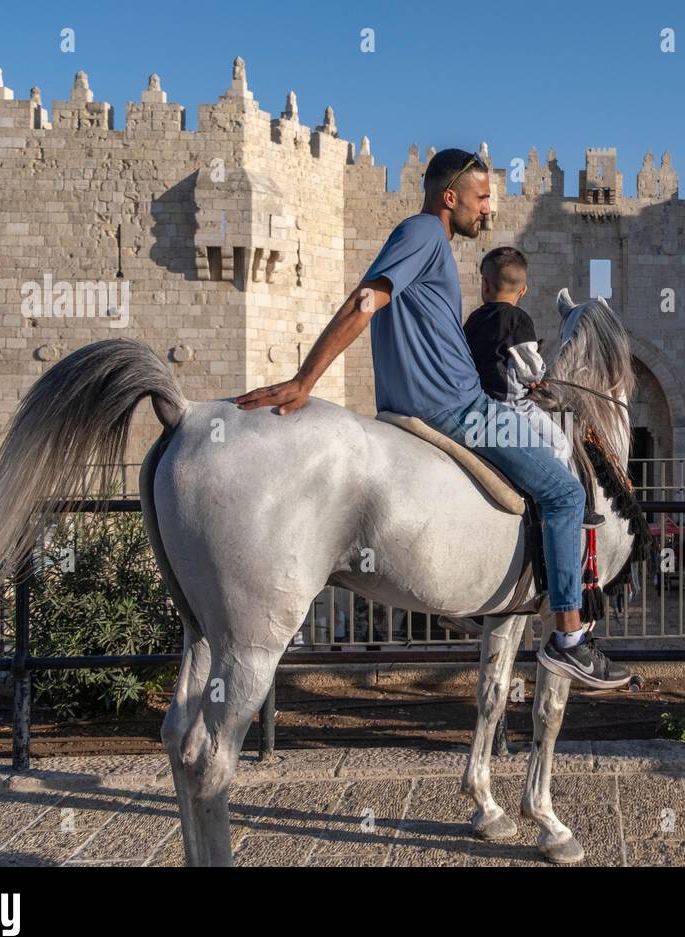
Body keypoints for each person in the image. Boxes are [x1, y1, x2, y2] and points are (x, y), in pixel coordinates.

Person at [233, 148, 629, 689]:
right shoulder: (423, 233)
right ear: (451, 197)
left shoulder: (428, 243)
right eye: (482, 198)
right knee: (564, 491)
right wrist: (306, 381)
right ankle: (568, 638)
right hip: (461, 410)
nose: (487, 211)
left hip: (430, 404)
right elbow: (365, 301)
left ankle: (479, 595)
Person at [462, 245, 603, 527]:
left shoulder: (473, 320)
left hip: (478, 403)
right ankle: (563, 501)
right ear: (523, 291)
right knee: (558, 443)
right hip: (512, 405)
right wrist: (537, 376)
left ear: (485, 285)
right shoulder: (518, 320)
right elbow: (530, 366)